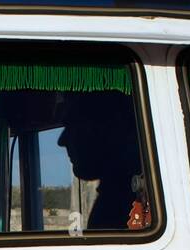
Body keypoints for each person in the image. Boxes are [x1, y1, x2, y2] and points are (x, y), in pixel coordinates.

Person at [56, 91, 148, 231]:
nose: (61, 141)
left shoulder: (137, 206)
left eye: (73, 124)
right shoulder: (118, 199)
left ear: (107, 128)